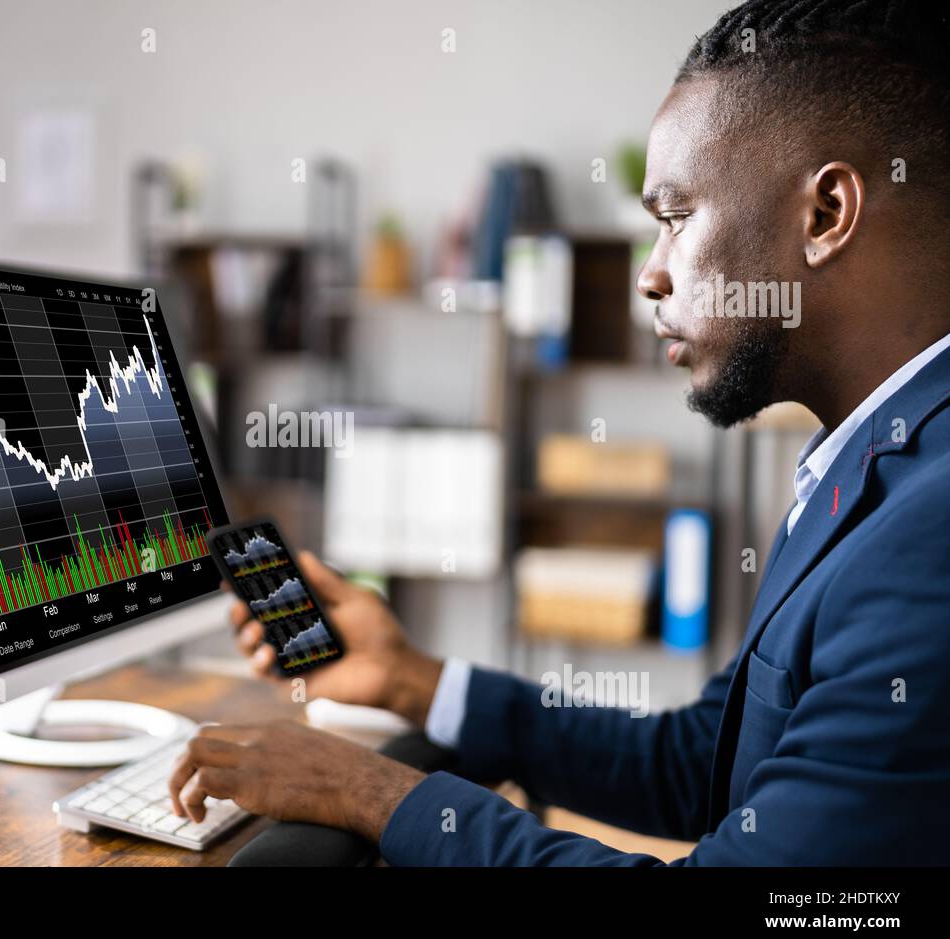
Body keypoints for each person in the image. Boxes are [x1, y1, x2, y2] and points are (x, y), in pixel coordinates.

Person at [167, 0, 950, 865]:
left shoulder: (929, 531)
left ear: (826, 213)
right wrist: (410, 678)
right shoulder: (863, 471)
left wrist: (366, 790)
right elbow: (703, 763)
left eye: (677, 216)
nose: (651, 273)